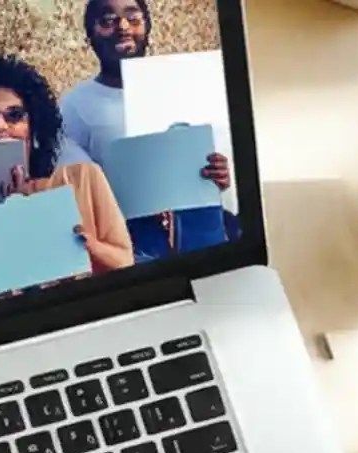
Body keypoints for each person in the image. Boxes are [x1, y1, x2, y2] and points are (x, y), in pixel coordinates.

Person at [0, 54, 134, 313]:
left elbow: (125, 262)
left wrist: (89, 245)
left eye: (14, 115)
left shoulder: (83, 178)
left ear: (34, 123)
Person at [60, 0, 238, 261]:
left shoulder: (187, 86)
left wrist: (221, 174)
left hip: (202, 229)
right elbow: (76, 187)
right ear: (90, 35)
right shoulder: (73, 106)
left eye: (133, 18)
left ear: (147, 27)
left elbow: (222, 156)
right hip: (133, 242)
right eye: (108, 21)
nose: (122, 27)